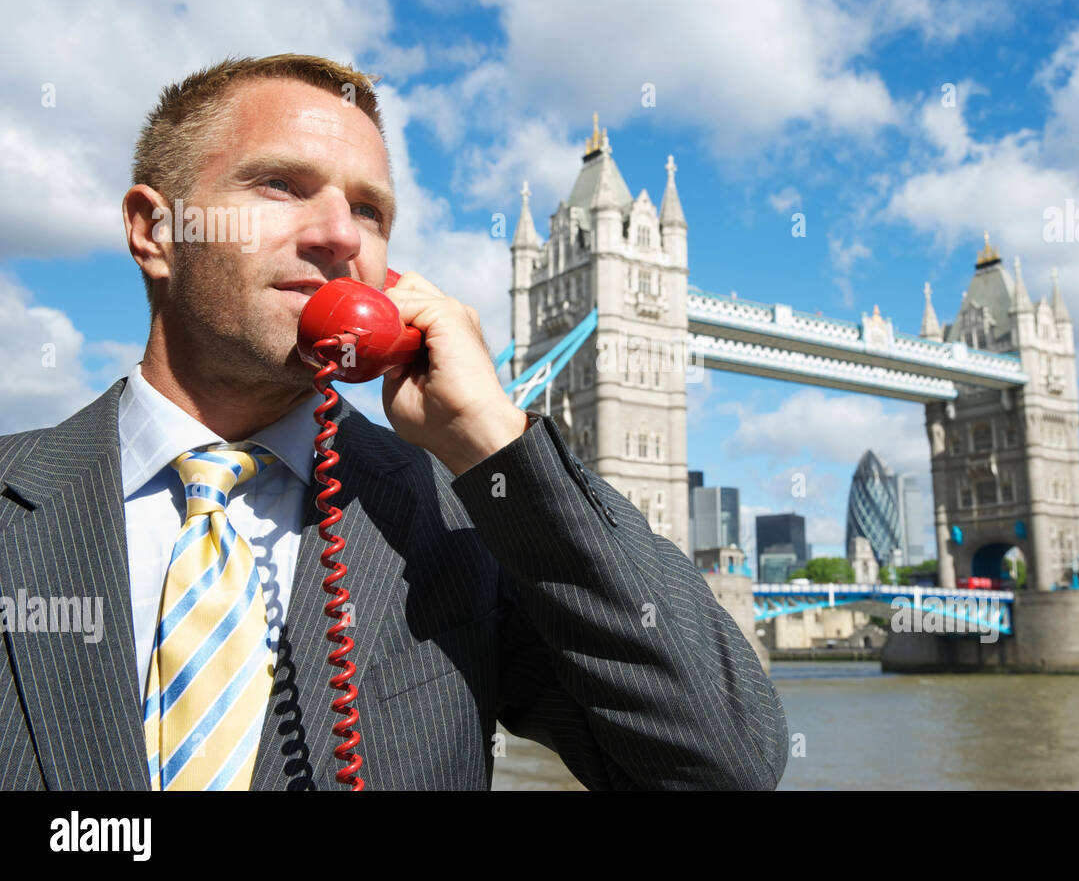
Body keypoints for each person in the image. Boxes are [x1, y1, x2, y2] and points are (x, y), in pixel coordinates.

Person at [0, 54, 788, 791]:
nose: (341, 235)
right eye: (279, 184)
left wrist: (493, 436)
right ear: (155, 229)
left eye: (371, 211)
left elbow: (726, 763)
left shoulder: (465, 522)